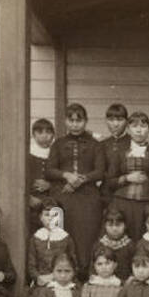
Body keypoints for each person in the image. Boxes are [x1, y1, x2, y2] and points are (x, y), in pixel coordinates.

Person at [45, 103, 105, 279]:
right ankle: (61, 276)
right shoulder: (58, 144)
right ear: (65, 121)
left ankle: (84, 277)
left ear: (85, 121)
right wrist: (66, 175)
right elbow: (49, 170)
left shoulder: (95, 145)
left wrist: (80, 180)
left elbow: (100, 171)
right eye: (71, 120)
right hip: (62, 197)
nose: (75, 124)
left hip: (87, 198)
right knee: (60, 234)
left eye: (79, 120)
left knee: (86, 238)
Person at [105, 111, 149, 243]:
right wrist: (127, 178)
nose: (139, 130)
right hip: (122, 204)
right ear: (128, 129)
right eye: (134, 126)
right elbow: (109, 181)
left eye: (143, 126)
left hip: (146, 205)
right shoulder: (119, 153)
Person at [27, 118, 56, 233]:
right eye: (40, 132)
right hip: (32, 202)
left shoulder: (56, 154)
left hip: (52, 201)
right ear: (33, 135)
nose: (44, 136)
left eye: (48, 132)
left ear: (53, 135)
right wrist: (28, 197)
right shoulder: (27, 155)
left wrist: (50, 185)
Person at [92, 207, 134, 281]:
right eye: (110, 225)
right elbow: (92, 269)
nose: (114, 229)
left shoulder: (130, 246)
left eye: (118, 225)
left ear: (125, 226)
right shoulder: (99, 245)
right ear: (105, 226)